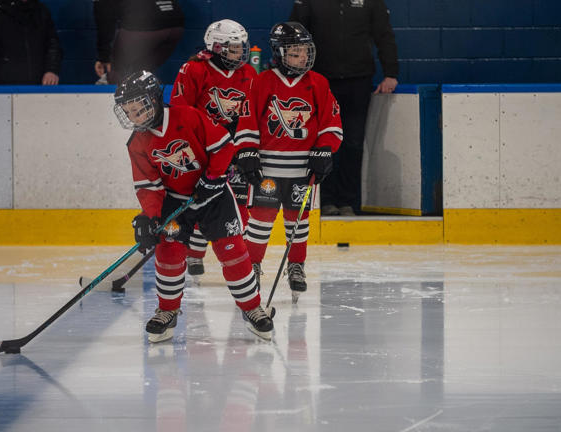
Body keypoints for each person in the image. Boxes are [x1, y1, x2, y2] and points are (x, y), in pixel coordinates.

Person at [114, 70, 273, 342]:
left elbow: (223, 146)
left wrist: (212, 178)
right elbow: (148, 186)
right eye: (128, 112)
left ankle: (252, 308)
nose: (134, 117)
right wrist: (151, 217)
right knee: (169, 252)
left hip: (215, 198)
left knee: (233, 252)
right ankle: (167, 310)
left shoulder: (188, 116)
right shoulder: (137, 143)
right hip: (176, 201)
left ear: (154, 99)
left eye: (138, 108)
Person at [234, 22, 342, 303]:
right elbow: (247, 121)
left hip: (301, 169)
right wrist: (247, 152)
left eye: (305, 51)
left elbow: (331, 123)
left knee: (298, 222)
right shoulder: (262, 81)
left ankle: (296, 266)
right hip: (267, 170)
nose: (303, 57)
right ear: (280, 53)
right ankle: (251, 267)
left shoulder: (318, 83)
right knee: (260, 221)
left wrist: (324, 150)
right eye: (296, 52)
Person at [290, 0, 399, 216]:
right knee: (323, 141)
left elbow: (384, 34)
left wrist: (391, 73)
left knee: (354, 143)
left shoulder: (371, 2)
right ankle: (326, 200)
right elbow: (294, 35)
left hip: (359, 81)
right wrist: (293, 73)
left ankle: (348, 201)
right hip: (321, 80)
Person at [169, 19, 258, 276]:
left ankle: (238, 261)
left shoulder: (248, 74)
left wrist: (244, 144)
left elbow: (252, 115)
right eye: (234, 48)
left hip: (235, 150)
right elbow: (180, 113)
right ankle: (195, 253)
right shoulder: (194, 69)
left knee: (239, 207)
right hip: (204, 151)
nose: (240, 53)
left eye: (241, 47)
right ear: (217, 47)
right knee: (202, 202)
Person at [0, 0, 62, 95]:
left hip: (37, 88)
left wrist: (51, 70)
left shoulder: (42, 11)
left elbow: (52, 44)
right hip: (2, 90)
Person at [93, 0, 185, 85]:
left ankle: (108, 88)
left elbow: (104, 18)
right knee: (140, 72)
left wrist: (104, 57)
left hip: (145, 23)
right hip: (176, 25)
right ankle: (146, 89)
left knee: (116, 70)